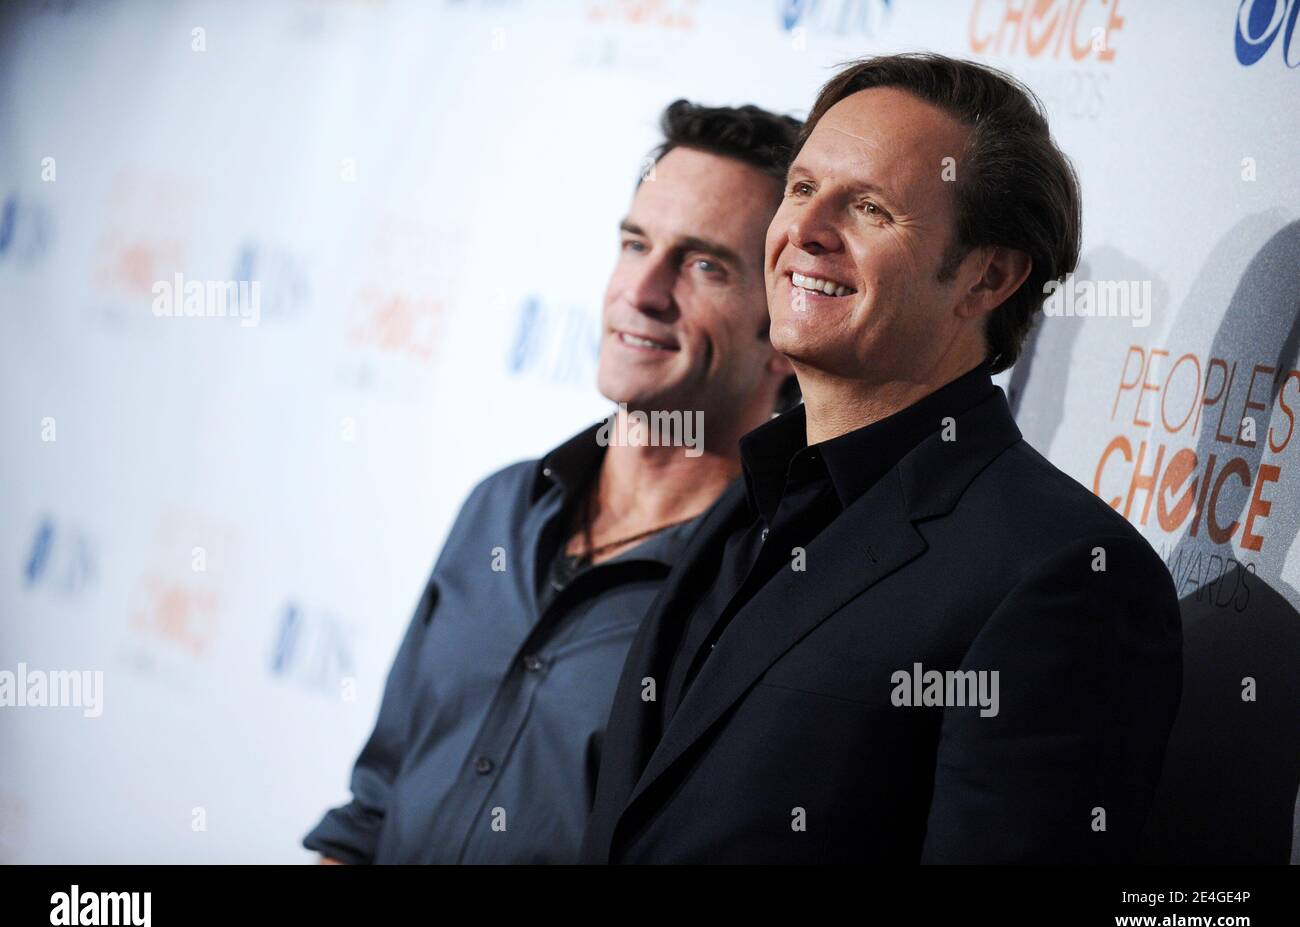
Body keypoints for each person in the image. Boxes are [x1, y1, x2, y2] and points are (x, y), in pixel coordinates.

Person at [581, 54, 1184, 864]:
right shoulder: (745, 504)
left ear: (987, 276)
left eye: (868, 208)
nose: (806, 231)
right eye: (800, 189)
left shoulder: (1063, 576)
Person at [303, 99, 800, 863]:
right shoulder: (501, 506)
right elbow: (374, 809)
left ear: (785, 338)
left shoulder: (769, 589)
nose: (642, 290)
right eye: (636, 243)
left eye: (705, 264)